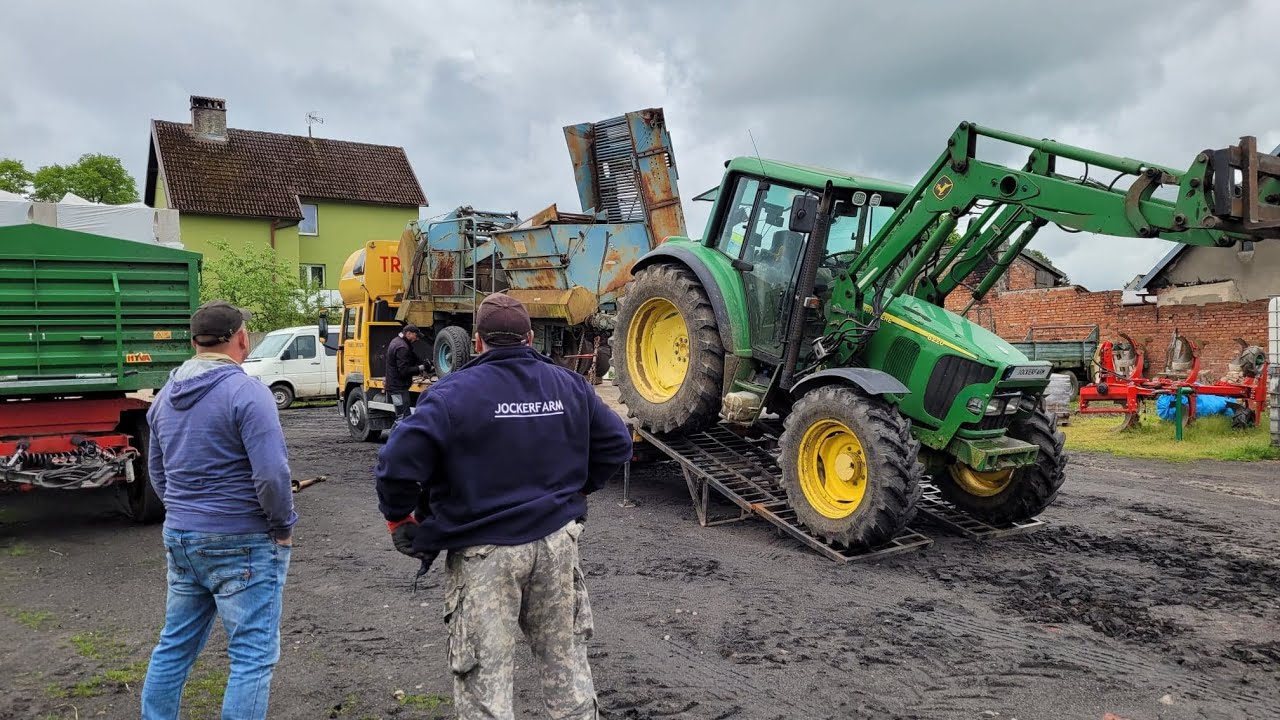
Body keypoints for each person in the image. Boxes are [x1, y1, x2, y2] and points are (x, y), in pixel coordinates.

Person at [374, 293, 632, 720]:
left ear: (477, 342)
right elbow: (615, 444)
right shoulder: (568, 384)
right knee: (564, 665)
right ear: (530, 337)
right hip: (556, 545)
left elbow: (397, 464)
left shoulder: (450, 394)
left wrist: (400, 518)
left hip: (484, 555)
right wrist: (580, 492)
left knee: (485, 681)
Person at [140, 300, 297, 720]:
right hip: (243, 540)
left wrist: (182, 512)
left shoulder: (164, 396)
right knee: (251, 657)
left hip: (182, 536)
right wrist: (283, 526)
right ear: (241, 338)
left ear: (194, 342)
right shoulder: (247, 393)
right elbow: (272, 474)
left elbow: (156, 470)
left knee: (173, 647)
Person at [385, 324, 424, 421]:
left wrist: (422, 362)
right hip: (398, 388)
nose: (417, 339)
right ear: (408, 334)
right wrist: (421, 368)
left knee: (401, 417)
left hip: (395, 386)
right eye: (416, 336)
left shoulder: (397, 341)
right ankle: (396, 436)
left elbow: (411, 356)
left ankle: (396, 436)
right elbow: (403, 371)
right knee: (403, 418)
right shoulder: (402, 347)